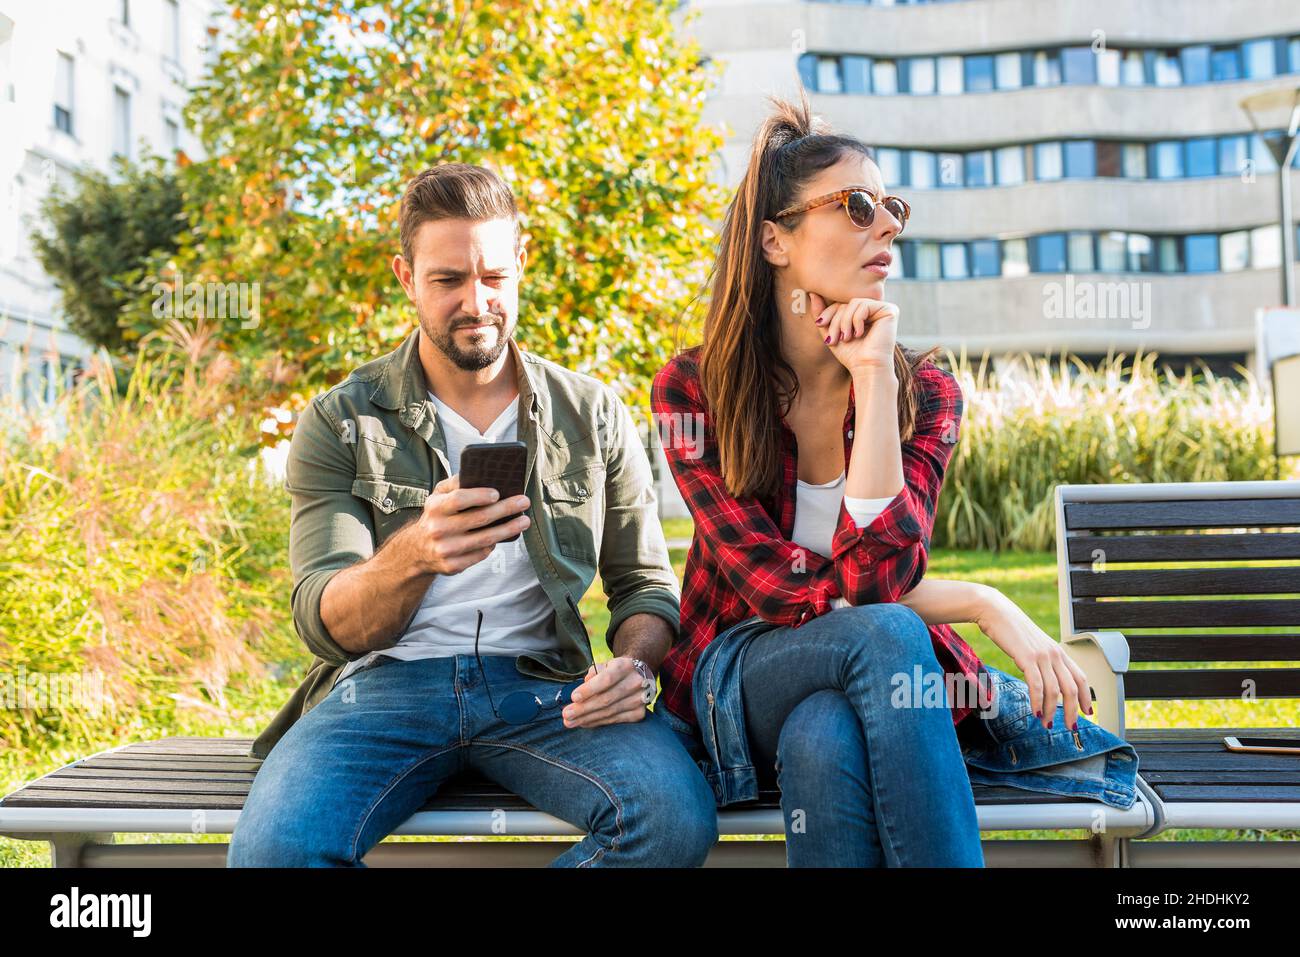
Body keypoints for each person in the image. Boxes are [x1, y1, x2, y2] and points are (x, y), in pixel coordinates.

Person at [650, 92, 1121, 868]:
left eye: (892, 207)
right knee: (893, 630)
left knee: (824, 730)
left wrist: (871, 379)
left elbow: (885, 571)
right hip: (733, 674)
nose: (890, 225)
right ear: (775, 239)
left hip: (852, 683)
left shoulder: (924, 394)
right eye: (858, 205)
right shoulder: (693, 391)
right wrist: (981, 600)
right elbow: (779, 592)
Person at [229, 162, 717, 867]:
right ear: (405, 277)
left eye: (493, 276)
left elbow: (645, 586)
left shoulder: (593, 413)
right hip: (385, 686)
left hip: (546, 689)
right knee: (275, 853)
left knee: (671, 819)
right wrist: (416, 552)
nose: (475, 300)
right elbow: (323, 617)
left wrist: (635, 667)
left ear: (521, 265)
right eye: (448, 279)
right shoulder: (342, 418)